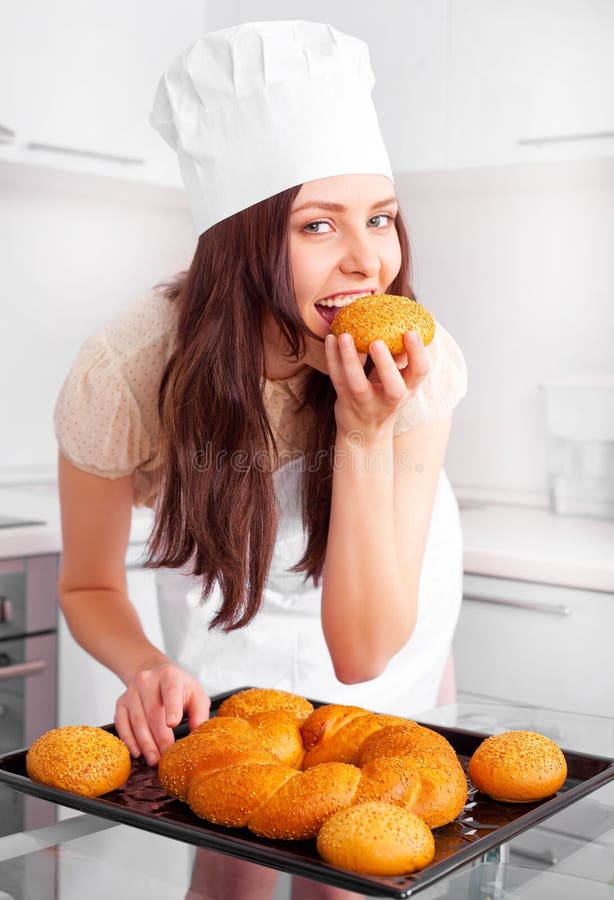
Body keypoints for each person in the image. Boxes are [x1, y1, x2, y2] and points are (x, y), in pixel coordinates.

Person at [54, 20, 467, 900]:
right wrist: (145, 666)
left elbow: (364, 653)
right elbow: (87, 585)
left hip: (382, 589)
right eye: (318, 225)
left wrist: (363, 432)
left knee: (351, 861)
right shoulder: (127, 374)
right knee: (232, 840)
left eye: (381, 218)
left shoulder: (416, 366)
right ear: (238, 242)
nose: (369, 262)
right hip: (230, 596)